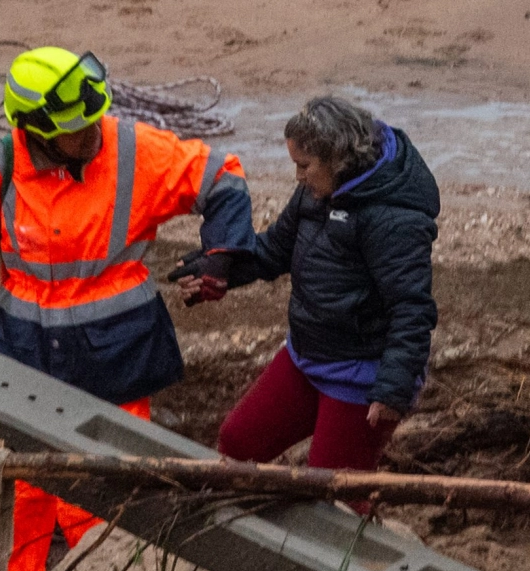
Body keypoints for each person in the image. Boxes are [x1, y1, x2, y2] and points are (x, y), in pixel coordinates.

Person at [0, 47, 254, 571]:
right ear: (33, 130)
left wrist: (223, 253)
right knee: (13, 505)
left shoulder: (130, 150)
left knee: (105, 510)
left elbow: (222, 175)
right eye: (75, 129)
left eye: (91, 121)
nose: (90, 135)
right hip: (22, 367)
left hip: (113, 366)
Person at [176, 94, 439, 472]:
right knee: (238, 443)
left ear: (338, 159)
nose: (298, 176)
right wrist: (219, 268)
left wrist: (393, 389)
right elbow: (275, 249)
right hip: (305, 356)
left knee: (335, 498)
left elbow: (412, 309)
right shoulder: (318, 189)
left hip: (359, 376)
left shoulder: (393, 219)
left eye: (304, 165)